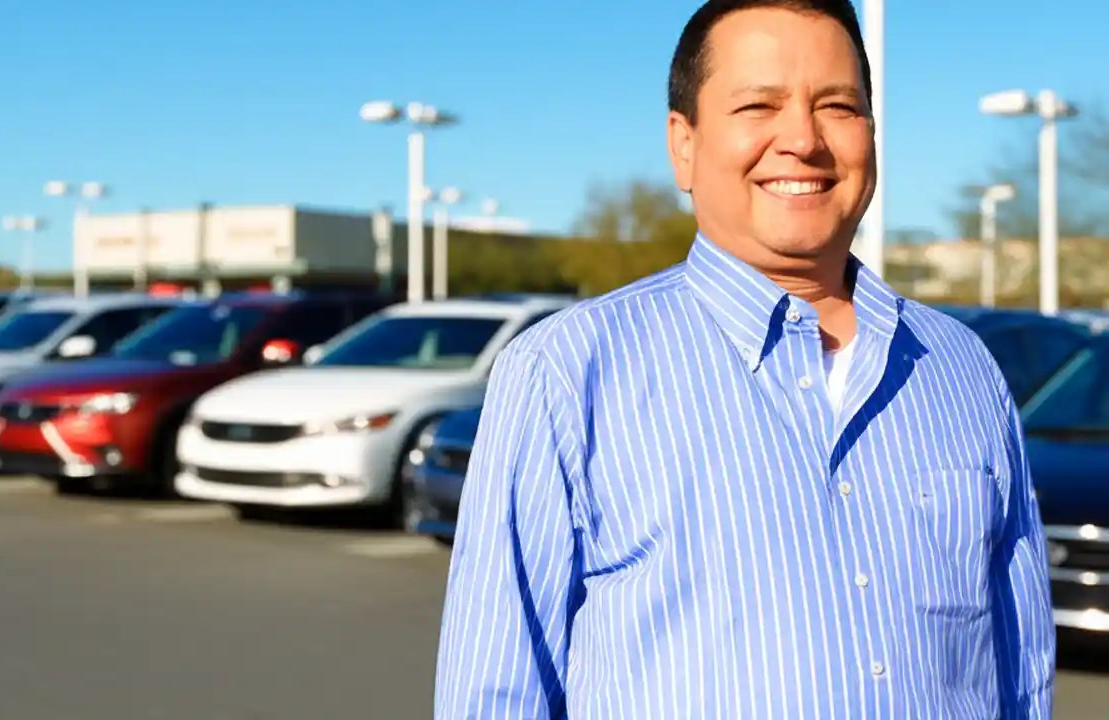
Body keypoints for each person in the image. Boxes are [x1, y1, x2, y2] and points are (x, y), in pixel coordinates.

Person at [433, 0, 1056, 717]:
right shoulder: (566, 373)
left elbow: (1022, 668)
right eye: (758, 105)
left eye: (837, 106)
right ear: (684, 145)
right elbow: (495, 692)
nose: (802, 140)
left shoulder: (960, 369)